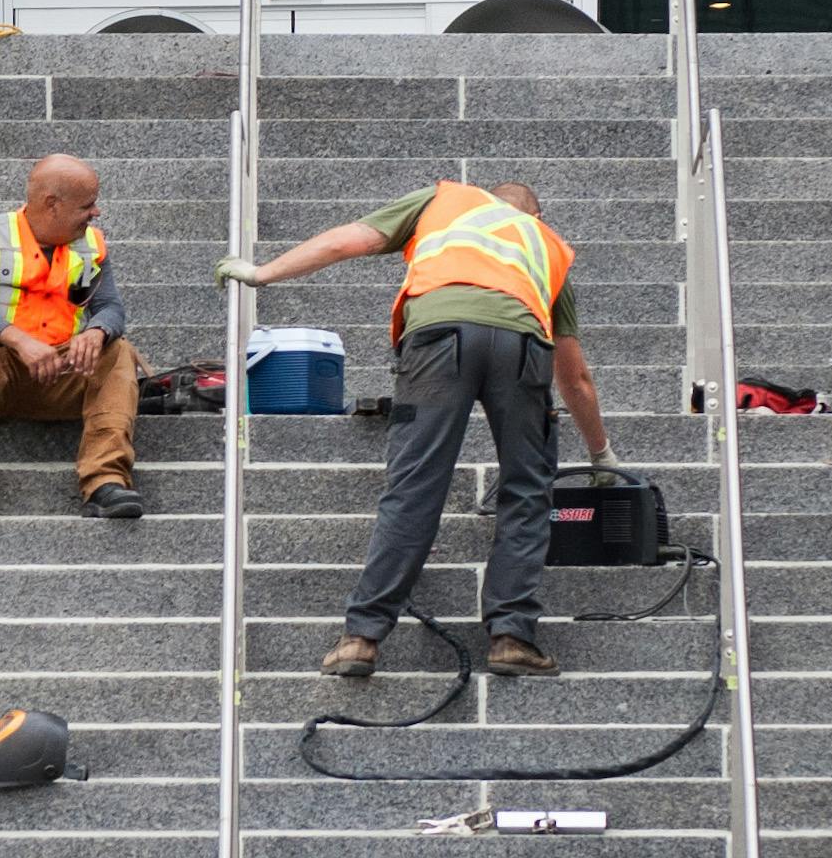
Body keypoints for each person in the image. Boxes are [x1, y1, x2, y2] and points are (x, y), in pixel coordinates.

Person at [218, 178, 614, 679]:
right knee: (528, 489)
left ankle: (361, 638)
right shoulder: (546, 246)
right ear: (535, 215)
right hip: (521, 348)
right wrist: (601, 454)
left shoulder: (445, 199)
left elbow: (348, 240)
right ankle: (512, 636)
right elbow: (575, 377)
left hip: (437, 340)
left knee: (414, 488)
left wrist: (260, 273)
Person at [0, 152, 143, 524]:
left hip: (59, 375)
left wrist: (98, 330)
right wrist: (20, 340)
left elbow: (112, 308)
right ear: (52, 204)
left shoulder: (91, 246)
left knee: (118, 351)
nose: (96, 213)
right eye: (87, 205)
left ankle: (107, 480)